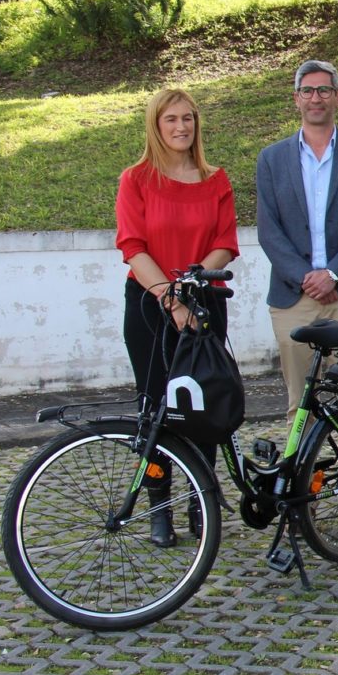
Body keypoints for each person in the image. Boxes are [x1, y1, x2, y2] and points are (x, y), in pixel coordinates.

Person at [115, 88, 240, 547]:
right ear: (156, 125)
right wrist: (173, 299)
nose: (181, 127)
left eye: (188, 118)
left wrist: (193, 286)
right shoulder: (136, 179)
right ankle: (158, 506)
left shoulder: (215, 179)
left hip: (205, 303)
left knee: (201, 408)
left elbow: (226, 242)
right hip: (150, 306)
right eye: (171, 120)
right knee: (155, 410)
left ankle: (199, 502)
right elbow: (133, 247)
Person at [256, 59, 338, 414]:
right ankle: (305, 472)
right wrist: (306, 277)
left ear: (337, 97)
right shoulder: (271, 159)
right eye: (308, 90)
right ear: (296, 98)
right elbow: (269, 230)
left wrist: (332, 274)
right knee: (301, 404)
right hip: (293, 298)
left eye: (324, 90)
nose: (316, 97)